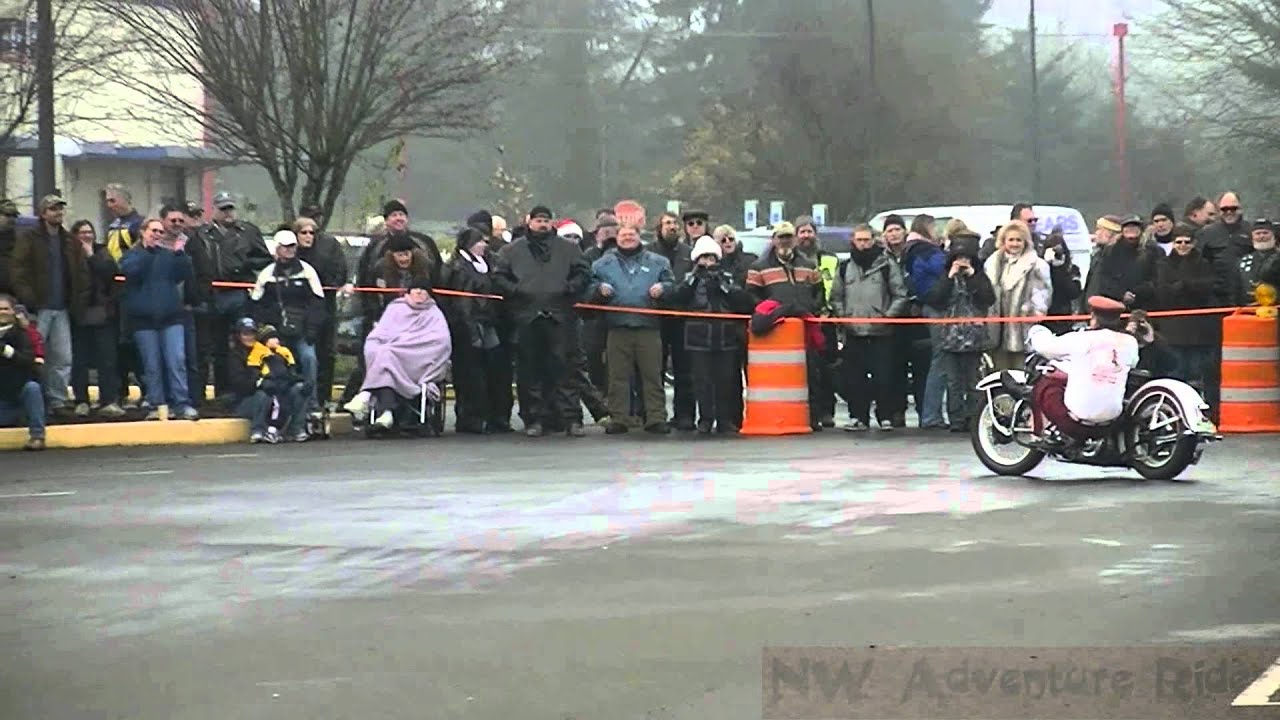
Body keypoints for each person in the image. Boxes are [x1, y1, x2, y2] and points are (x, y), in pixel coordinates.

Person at [492, 205, 591, 438]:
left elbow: (583, 273)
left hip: (561, 316)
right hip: (527, 316)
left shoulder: (569, 248)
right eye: (538, 220)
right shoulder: (511, 250)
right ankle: (534, 419)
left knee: (566, 370)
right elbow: (498, 276)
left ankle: (571, 419)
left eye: (546, 220)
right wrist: (516, 290)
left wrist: (569, 288)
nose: (542, 224)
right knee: (529, 372)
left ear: (552, 223)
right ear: (529, 222)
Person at [1015, 295, 1140, 450]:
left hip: (1074, 425)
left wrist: (1036, 330)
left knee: (1045, 384)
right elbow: (1132, 362)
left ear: (1093, 317)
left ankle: (1047, 433)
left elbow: (1046, 347)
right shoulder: (1130, 343)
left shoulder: (1081, 338)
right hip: (1108, 426)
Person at [588, 223, 674, 435]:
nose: (628, 238)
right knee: (617, 376)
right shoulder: (602, 264)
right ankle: (619, 418)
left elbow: (673, 286)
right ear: (617, 238)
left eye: (632, 235)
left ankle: (656, 417)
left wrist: (663, 288)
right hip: (617, 327)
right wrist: (598, 290)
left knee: (652, 375)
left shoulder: (658, 262)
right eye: (624, 235)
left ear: (639, 236)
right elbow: (588, 289)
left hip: (648, 327)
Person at [670, 235, 754, 434]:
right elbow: (678, 297)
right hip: (698, 337)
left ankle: (725, 419)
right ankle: (705, 419)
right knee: (702, 381)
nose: (707, 262)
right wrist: (694, 278)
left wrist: (723, 286)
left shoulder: (727, 277)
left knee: (725, 381)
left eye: (711, 258)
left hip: (725, 336)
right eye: (703, 257)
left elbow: (742, 301)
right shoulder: (690, 279)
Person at [343, 278, 452, 430]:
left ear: (429, 294)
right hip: (391, 355)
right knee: (383, 355)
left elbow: (441, 341)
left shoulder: (434, 314)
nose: (419, 292)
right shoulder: (395, 308)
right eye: (415, 289)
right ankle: (387, 412)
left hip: (417, 360)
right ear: (408, 292)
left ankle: (366, 394)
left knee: (386, 356)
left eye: (423, 289)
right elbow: (381, 332)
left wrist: (404, 343)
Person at [119, 218, 199, 421]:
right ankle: (156, 405)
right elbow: (132, 272)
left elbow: (184, 273)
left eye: (161, 232)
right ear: (143, 232)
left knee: (176, 361)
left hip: (171, 317)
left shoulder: (168, 255)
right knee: (152, 365)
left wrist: (180, 254)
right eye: (154, 231)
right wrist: (148, 252)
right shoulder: (131, 255)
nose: (157, 235)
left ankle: (181, 404)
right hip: (143, 320)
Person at [229, 320, 309, 443]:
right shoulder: (235, 356)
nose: (249, 337)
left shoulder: (273, 353)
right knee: (263, 395)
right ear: (238, 336)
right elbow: (239, 385)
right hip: (246, 401)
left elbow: (285, 374)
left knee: (299, 389)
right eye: (245, 334)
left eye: (252, 333)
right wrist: (259, 383)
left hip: (276, 397)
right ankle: (258, 431)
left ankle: (296, 429)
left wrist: (294, 379)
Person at [0, 294, 45, 450]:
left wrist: (7, 351)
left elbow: (28, 360)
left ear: (14, 311)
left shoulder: (22, 334)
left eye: (6, 309)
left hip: (18, 395)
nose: (2, 312)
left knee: (33, 388)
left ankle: (37, 437)